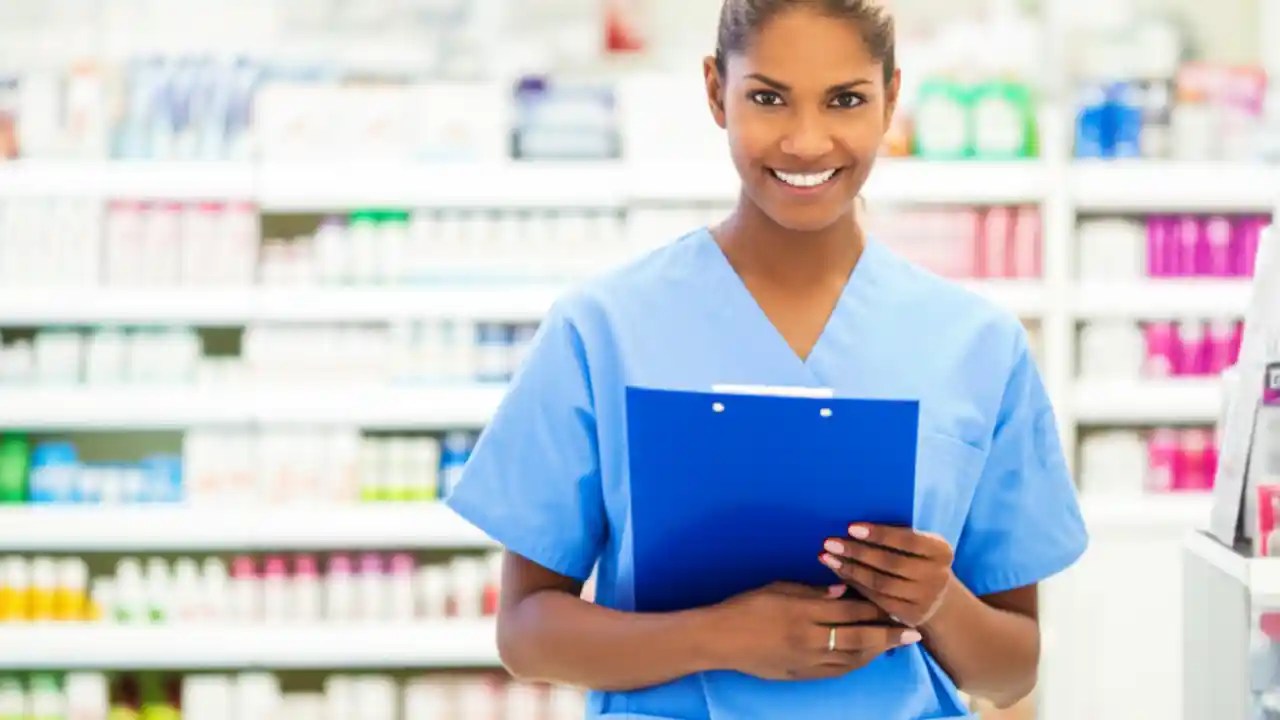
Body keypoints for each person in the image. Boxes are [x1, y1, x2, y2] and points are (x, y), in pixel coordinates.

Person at [445, 0, 1088, 717]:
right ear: (717, 92)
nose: (807, 141)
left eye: (845, 100)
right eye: (768, 98)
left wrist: (937, 599)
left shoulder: (977, 346)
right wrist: (720, 636)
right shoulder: (603, 329)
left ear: (891, 99)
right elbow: (527, 634)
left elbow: (1009, 672)